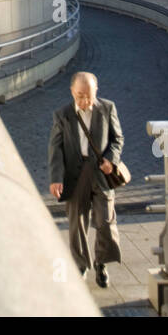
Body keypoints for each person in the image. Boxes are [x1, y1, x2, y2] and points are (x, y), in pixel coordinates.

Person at [47, 71, 124, 287]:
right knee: (76, 223)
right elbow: (55, 148)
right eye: (80, 95)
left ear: (96, 91)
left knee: (105, 222)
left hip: (101, 173)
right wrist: (55, 178)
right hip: (75, 173)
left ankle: (102, 264)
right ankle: (81, 265)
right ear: (72, 92)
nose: (85, 101)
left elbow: (118, 139)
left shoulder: (107, 108)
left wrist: (111, 159)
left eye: (89, 95)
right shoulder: (62, 115)